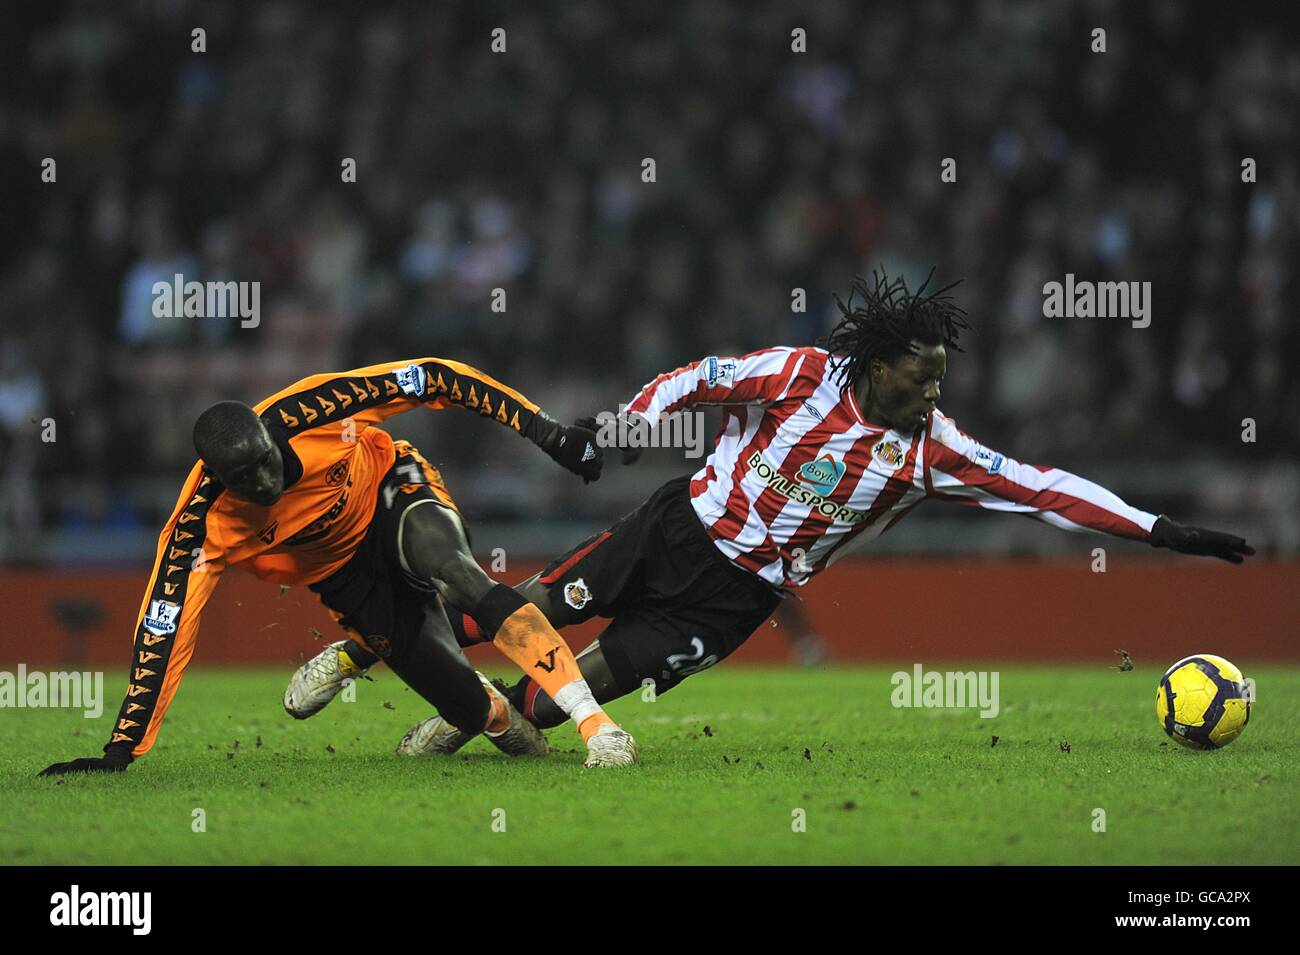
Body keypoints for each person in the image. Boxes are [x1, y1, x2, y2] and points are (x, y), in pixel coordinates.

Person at [288, 270, 1254, 753]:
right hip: (675, 526)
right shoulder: (798, 376)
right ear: (878, 365)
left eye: (939, 381)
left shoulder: (932, 452)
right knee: (523, 600)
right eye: (920, 380)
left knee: (544, 708)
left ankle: (477, 711)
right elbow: (702, 379)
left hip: (733, 601)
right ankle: (363, 646)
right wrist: (626, 425)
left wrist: (1162, 530)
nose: (932, 396)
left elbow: (1043, 488)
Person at [39, 357, 637, 776]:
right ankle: (443, 688)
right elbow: (164, 628)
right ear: (220, 482)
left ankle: (597, 728)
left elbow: (438, 377)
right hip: (341, 577)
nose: (265, 481)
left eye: (266, 463)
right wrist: (123, 747)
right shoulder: (199, 523)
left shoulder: (312, 406)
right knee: (467, 707)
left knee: (455, 570)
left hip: (390, 491)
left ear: (271, 438)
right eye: (244, 481)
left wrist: (550, 434)